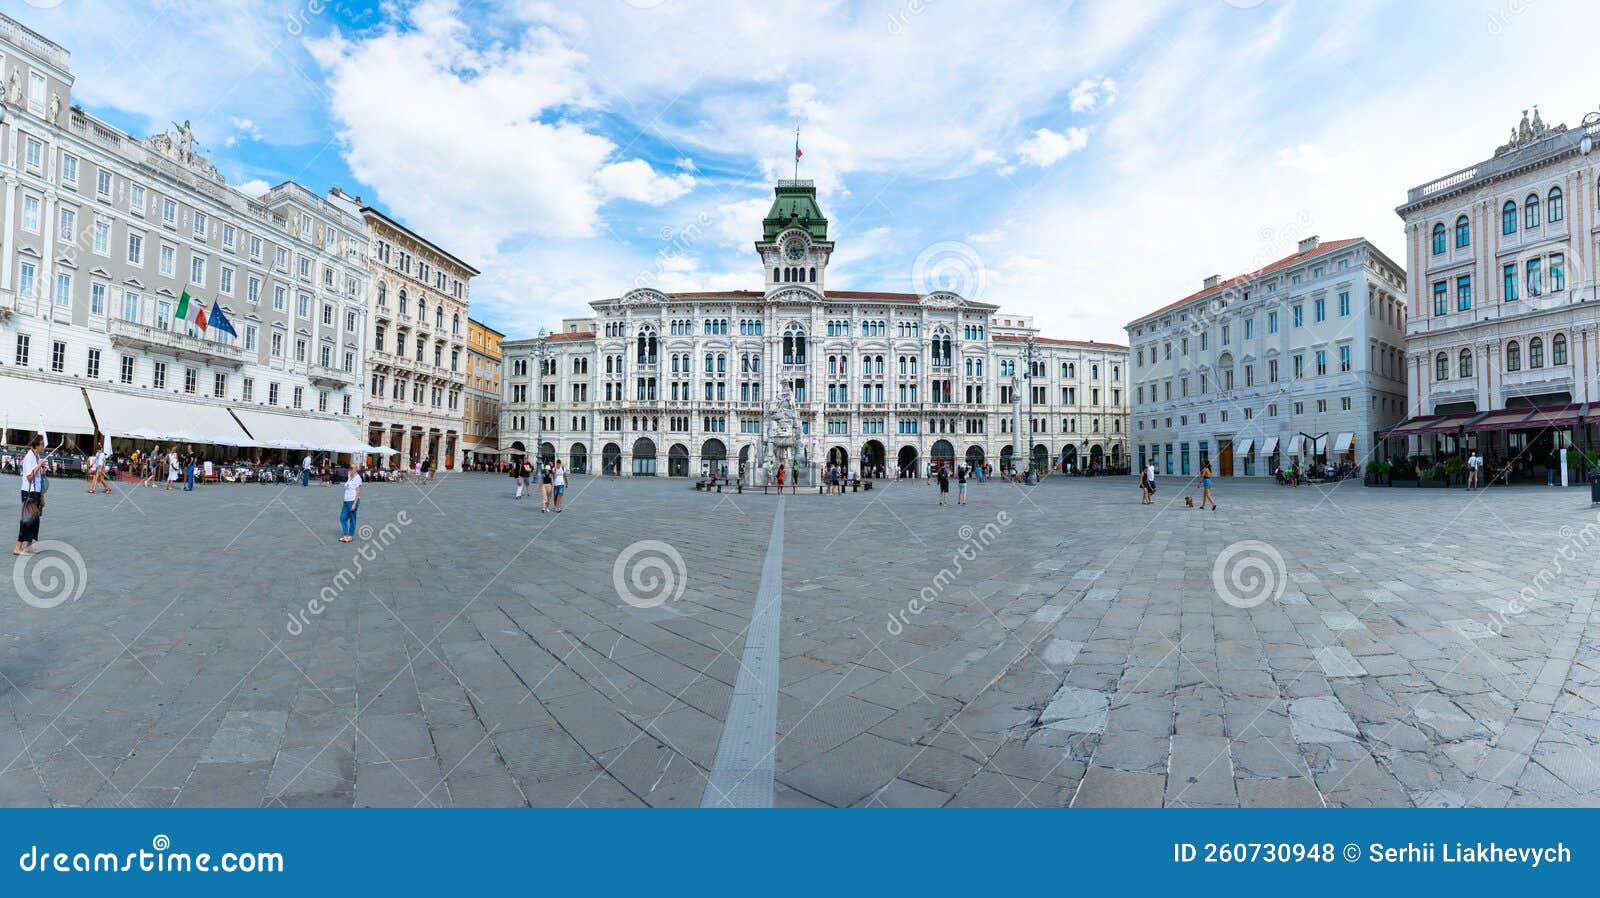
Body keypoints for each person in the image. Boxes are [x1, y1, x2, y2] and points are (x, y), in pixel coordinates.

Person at [14, 434, 45, 556]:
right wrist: (39, 466)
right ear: (36, 445)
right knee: (27, 520)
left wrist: (41, 495)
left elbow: (37, 477)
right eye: (42, 444)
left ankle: (29, 546)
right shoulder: (29, 457)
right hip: (29, 491)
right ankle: (18, 547)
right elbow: (29, 476)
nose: (44, 446)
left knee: (35, 520)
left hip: (36, 491)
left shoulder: (36, 456)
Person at [339, 462, 362, 543]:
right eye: (350, 468)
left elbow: (358, 491)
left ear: (356, 469)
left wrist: (354, 503)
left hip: (353, 500)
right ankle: (345, 535)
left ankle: (350, 536)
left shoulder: (358, 478)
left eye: (352, 468)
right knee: (342, 518)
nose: (350, 469)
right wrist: (343, 501)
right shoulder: (349, 476)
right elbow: (346, 489)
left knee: (352, 518)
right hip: (346, 500)